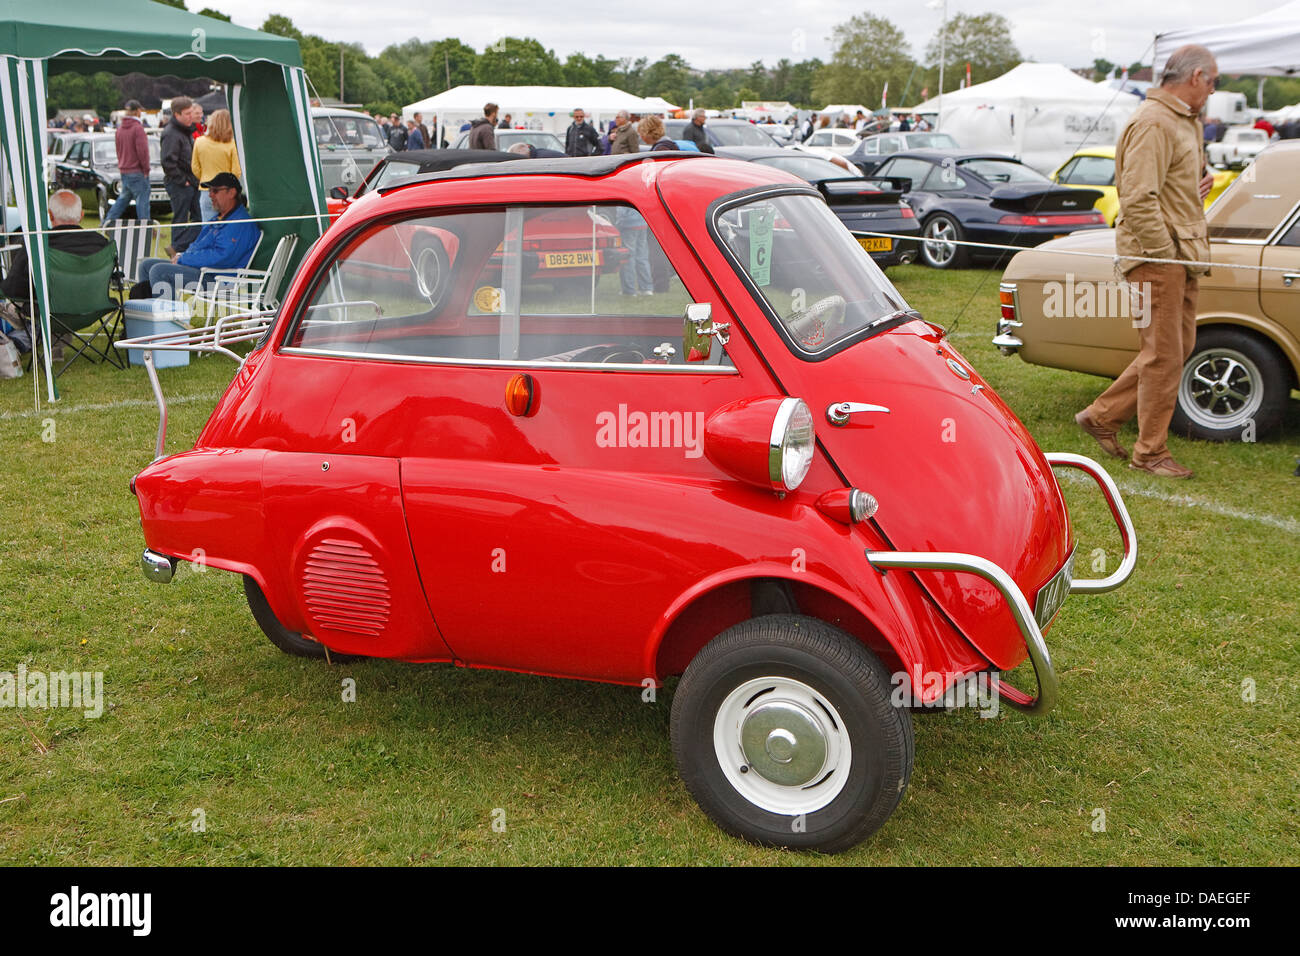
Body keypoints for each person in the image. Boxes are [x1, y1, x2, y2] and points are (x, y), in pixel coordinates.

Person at [1075, 43, 1218, 480]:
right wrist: (1162, 254)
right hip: (1160, 257)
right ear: (1194, 78)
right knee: (1164, 355)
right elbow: (1136, 199)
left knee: (1175, 351)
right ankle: (1150, 452)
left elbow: (1169, 186)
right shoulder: (1155, 121)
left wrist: (1197, 184)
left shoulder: (1182, 121)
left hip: (1180, 254)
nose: (1213, 90)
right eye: (1212, 81)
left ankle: (1102, 416)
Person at [0, 190, 111, 355]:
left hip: (51, 311)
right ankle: (54, 343)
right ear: (81, 215)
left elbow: (12, 289)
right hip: (93, 310)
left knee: (29, 300)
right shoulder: (103, 244)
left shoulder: (39, 244)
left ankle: (42, 338)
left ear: (50, 215)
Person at [135, 173, 260, 300]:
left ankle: (168, 316)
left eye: (215, 191)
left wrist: (184, 258)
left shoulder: (240, 223)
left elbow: (222, 258)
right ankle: (148, 313)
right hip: (203, 271)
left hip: (219, 280)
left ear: (232, 193)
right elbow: (197, 245)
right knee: (146, 265)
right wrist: (183, 256)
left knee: (159, 271)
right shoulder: (219, 219)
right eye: (210, 190)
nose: (210, 195)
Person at [160, 96, 202, 255]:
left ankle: (179, 248)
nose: (191, 116)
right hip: (180, 183)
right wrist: (182, 180)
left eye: (192, 113)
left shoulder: (184, 132)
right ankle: (176, 249)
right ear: (177, 115)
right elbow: (168, 161)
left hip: (190, 181)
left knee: (198, 219)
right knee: (181, 219)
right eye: (187, 113)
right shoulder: (172, 133)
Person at [103, 99, 151, 223]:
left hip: (125, 170)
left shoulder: (120, 129)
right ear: (137, 111)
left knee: (123, 199)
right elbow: (143, 151)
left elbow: (118, 150)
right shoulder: (137, 128)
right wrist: (146, 169)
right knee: (143, 202)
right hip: (137, 171)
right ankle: (146, 228)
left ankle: (107, 222)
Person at [191, 108, 241, 222]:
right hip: (226, 191)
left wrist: (205, 178)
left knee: (208, 228)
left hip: (206, 190)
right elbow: (236, 171)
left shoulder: (199, 142)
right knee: (228, 227)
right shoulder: (232, 144)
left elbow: (195, 168)